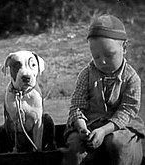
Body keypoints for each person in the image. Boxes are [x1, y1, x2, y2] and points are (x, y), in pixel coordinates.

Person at [62, 14, 145, 165]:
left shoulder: (132, 78)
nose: (103, 61)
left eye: (109, 55)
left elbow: (127, 111)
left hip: (121, 127)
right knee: (75, 149)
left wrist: (104, 131)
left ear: (124, 48)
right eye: (96, 57)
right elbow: (76, 107)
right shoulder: (86, 75)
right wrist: (82, 128)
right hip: (89, 124)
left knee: (119, 145)